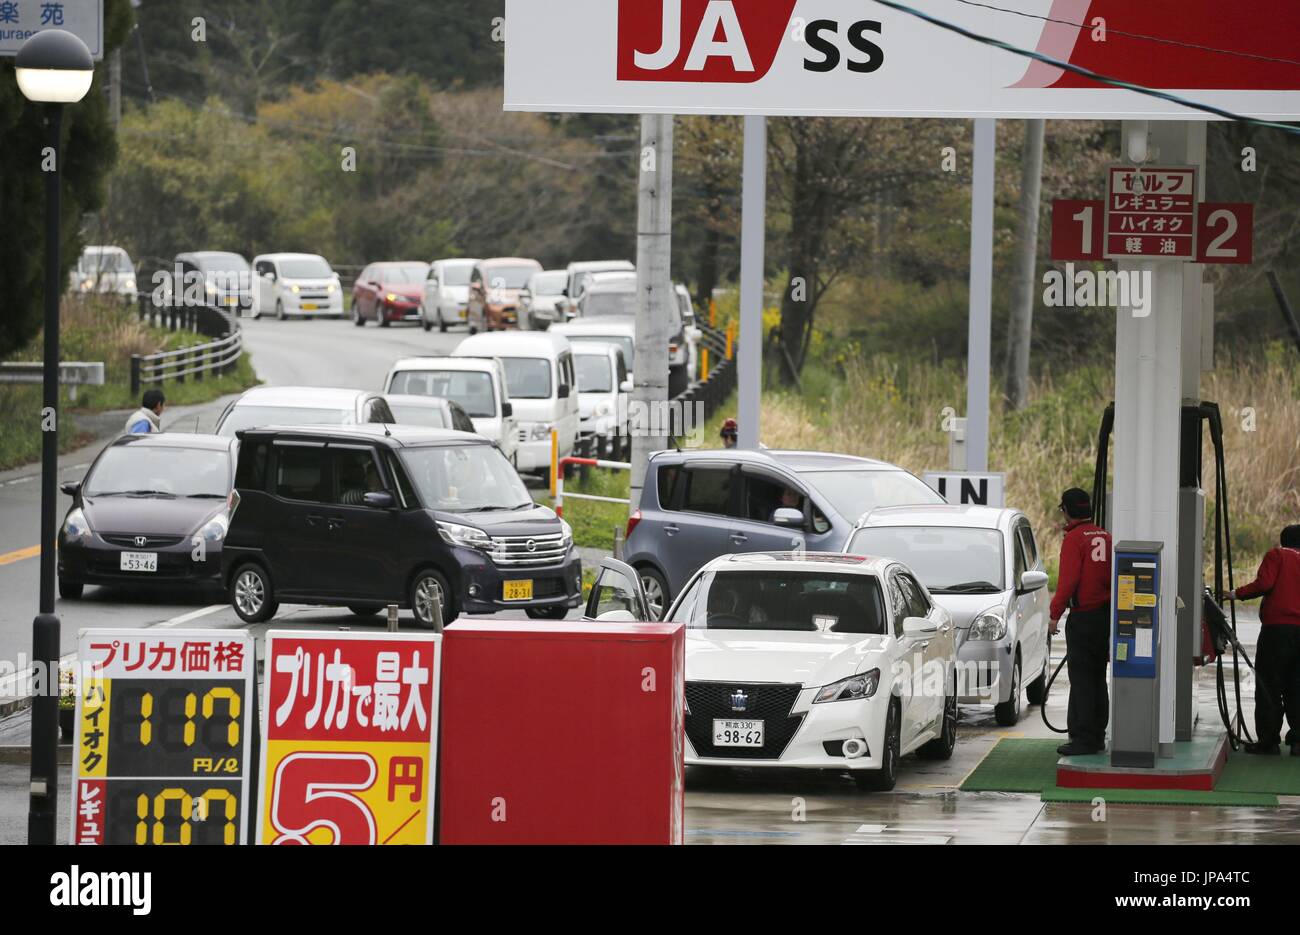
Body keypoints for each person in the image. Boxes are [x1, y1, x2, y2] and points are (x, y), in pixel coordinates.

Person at [1223, 525, 1300, 756]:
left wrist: (1236, 593)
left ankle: (1268, 741)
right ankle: (1298, 742)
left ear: (1282, 540)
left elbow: (1264, 584)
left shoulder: (1277, 555)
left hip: (1277, 631)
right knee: (1297, 685)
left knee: (1269, 685)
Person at [1049, 487, 1113, 756]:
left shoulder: (1075, 540)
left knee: (1082, 678)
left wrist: (1054, 615)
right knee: (1098, 677)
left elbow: (1068, 582)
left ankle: (1083, 738)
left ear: (1068, 511)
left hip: (1084, 618)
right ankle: (1096, 734)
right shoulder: (1106, 536)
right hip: (1105, 616)